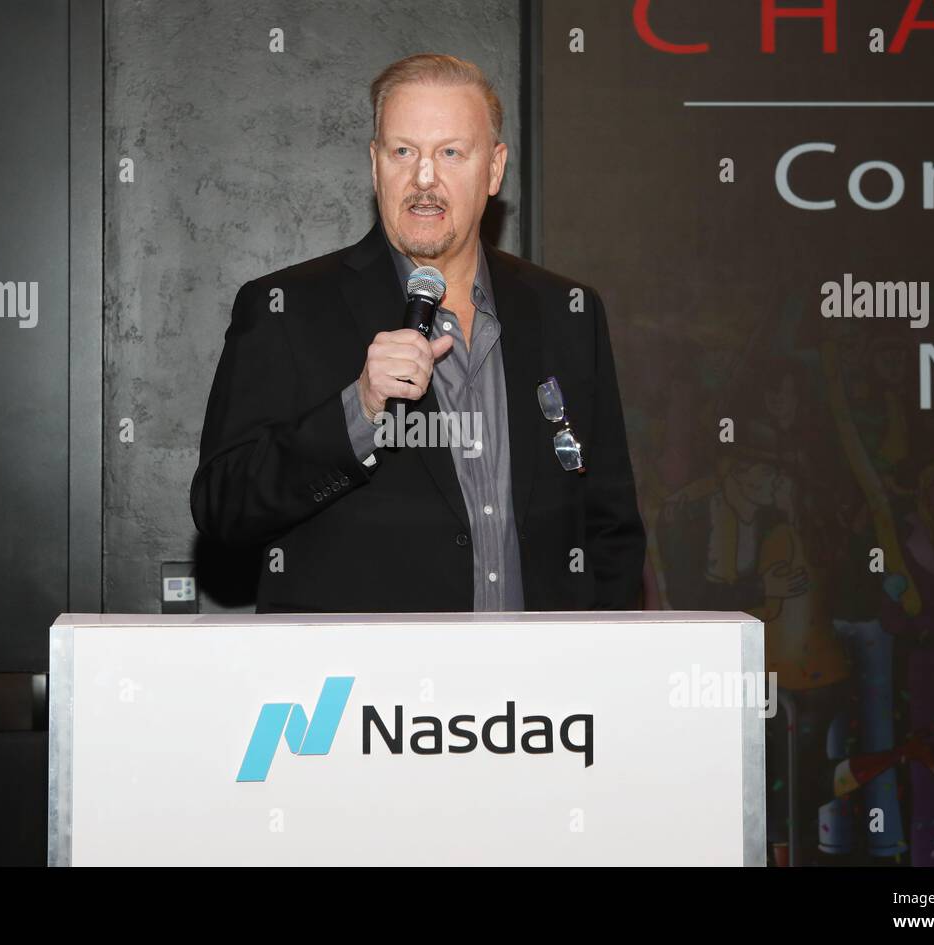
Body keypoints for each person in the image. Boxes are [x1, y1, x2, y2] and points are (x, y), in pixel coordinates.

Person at [189, 53, 645, 612]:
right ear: (375, 164)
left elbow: (611, 526)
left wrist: (599, 667)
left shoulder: (567, 311)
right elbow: (223, 507)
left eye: (451, 153)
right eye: (404, 151)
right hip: (372, 693)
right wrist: (359, 408)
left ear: (494, 169)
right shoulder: (286, 308)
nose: (424, 178)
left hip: (538, 695)